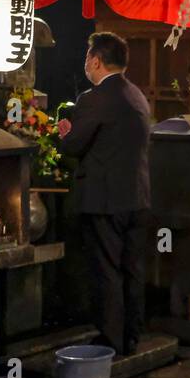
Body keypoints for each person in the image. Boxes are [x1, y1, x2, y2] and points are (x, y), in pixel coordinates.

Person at [57, 32, 151, 356]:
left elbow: (73, 146)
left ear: (96, 61)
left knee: (107, 271)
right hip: (137, 198)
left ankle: (111, 339)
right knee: (132, 270)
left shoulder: (94, 98)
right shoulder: (137, 95)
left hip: (105, 201)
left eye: (87, 58)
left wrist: (65, 135)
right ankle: (132, 336)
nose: (86, 63)